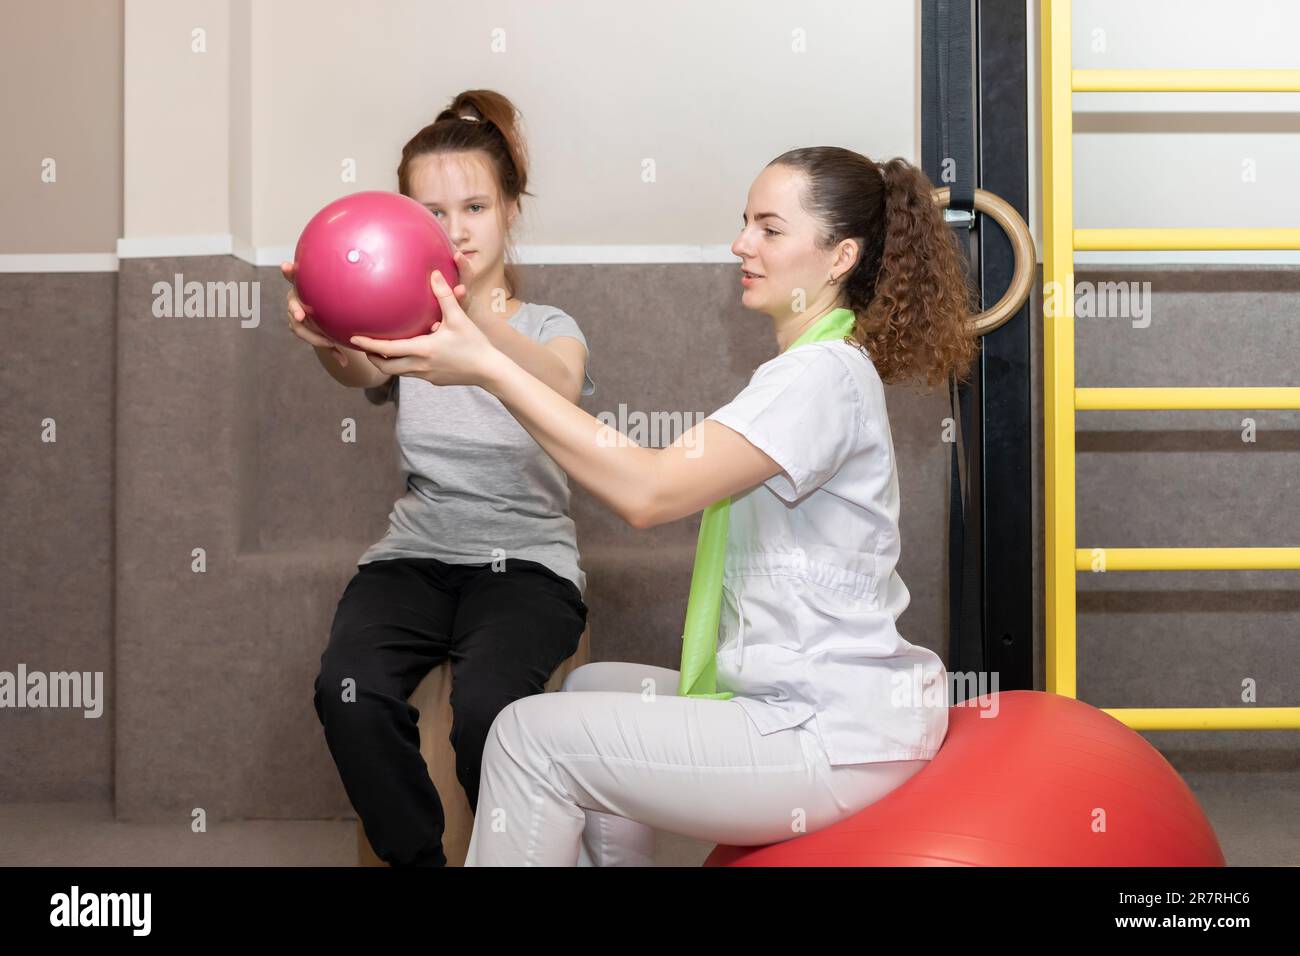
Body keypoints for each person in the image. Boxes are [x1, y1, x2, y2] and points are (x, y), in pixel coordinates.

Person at [352, 146, 979, 866]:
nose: (741, 243)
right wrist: (491, 362)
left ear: (840, 256)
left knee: (529, 737)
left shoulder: (820, 380)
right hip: (808, 703)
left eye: (770, 229)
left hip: (827, 734)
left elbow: (646, 491)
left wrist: (492, 370)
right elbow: (640, 475)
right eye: (745, 222)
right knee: (585, 688)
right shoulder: (812, 368)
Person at [286, 90, 596, 867]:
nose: (456, 231)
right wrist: (327, 334)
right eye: (433, 213)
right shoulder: (401, 328)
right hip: (415, 558)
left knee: (491, 708)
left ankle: (505, 852)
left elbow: (558, 386)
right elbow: (356, 364)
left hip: (525, 563)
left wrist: (468, 320)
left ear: (511, 210)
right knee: (345, 690)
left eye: (476, 206)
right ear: (406, 221)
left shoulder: (548, 326)